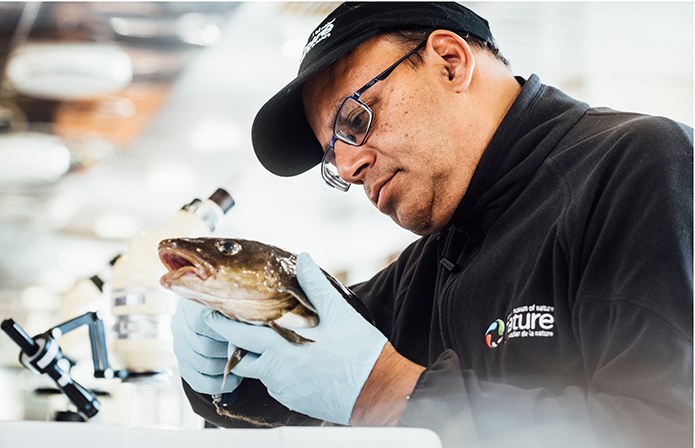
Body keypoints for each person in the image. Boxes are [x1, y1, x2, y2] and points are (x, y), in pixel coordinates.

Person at [171, 3, 694, 447]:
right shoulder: (431, 263)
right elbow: (304, 374)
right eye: (333, 156)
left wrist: (389, 393)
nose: (349, 168)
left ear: (449, 62)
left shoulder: (643, 166)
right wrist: (223, 372)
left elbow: (664, 429)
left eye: (355, 119)